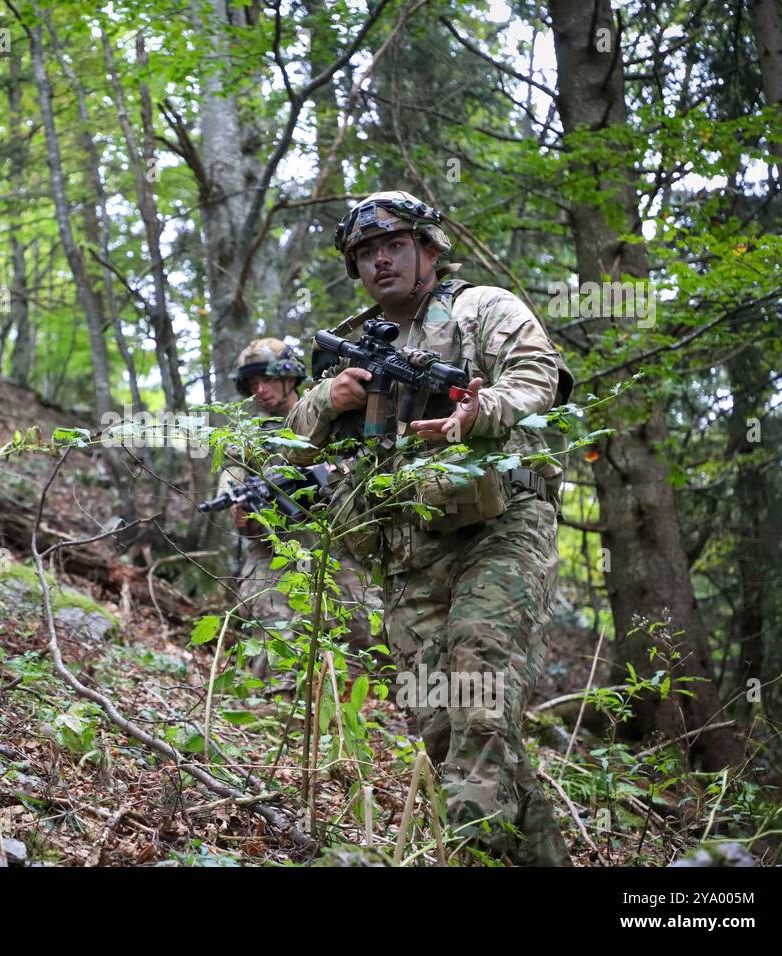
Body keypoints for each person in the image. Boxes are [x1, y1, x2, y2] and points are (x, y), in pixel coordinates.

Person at [284, 190, 573, 866]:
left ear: (430, 250)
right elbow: (294, 443)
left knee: (480, 697)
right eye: (365, 253)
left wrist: (478, 413)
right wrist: (331, 398)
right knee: (447, 732)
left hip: (500, 525)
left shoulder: (482, 309)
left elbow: (539, 381)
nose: (379, 261)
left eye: (394, 246)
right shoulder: (351, 342)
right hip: (408, 551)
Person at [217, 339, 376, 673]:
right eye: (251, 384)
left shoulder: (333, 412)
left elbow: (370, 461)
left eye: (268, 379)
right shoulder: (247, 436)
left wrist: (335, 475)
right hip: (273, 556)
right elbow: (231, 482)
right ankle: (275, 716)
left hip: (339, 548)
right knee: (273, 645)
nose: (260, 390)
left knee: (372, 641)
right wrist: (241, 509)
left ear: (290, 378)